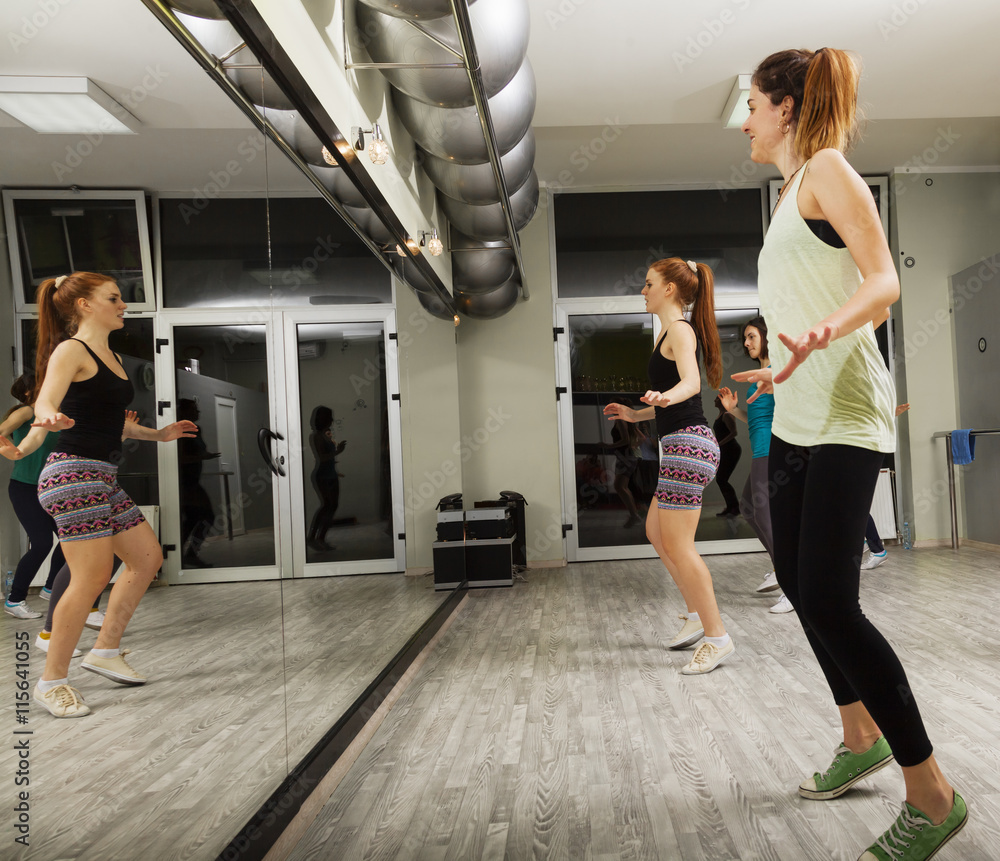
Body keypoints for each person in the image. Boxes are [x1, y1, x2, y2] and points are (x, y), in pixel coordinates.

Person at [734, 48, 966, 859]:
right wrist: (783, 362)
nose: (744, 122)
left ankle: (931, 794)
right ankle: (859, 734)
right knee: (801, 585)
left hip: (846, 411)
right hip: (800, 412)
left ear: (786, 108)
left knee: (831, 598)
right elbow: (814, 293)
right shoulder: (788, 193)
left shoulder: (828, 169)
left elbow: (883, 282)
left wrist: (826, 334)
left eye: (753, 106)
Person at [0, 272, 196, 719]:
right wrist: (46, 421)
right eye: (114, 297)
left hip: (101, 476)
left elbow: (110, 420)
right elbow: (45, 402)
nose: (123, 304)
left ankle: (105, 650)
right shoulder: (71, 350)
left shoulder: (112, 356)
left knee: (146, 558)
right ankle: (51, 682)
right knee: (90, 577)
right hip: (71, 476)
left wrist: (159, 434)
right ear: (85, 305)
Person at [604, 257, 734, 675]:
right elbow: (671, 400)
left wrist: (666, 397)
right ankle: (696, 615)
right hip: (680, 443)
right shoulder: (667, 333)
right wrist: (634, 413)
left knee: (680, 545)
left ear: (669, 289)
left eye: (648, 284)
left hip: (688, 446)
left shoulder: (679, 330)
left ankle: (717, 637)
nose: (642, 290)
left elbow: (691, 385)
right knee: (656, 532)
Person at [718, 316, 792, 614]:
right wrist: (733, 410)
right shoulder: (765, 373)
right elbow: (755, 418)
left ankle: (791, 584)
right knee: (748, 509)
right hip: (761, 450)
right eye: (745, 338)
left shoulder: (778, 371)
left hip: (772, 451)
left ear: (766, 336)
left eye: (751, 336)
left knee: (763, 514)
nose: (746, 343)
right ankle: (780, 567)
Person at [1, 374, 64, 619]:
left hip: (50, 489)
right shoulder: (27, 411)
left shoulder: (52, 416)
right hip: (25, 488)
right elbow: (2, 431)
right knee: (42, 543)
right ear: (29, 392)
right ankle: (15, 600)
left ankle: (50, 588)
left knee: (70, 538)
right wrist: (10, 449)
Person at [861, 403, 911, 570]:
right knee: (850, 506)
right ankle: (868, 545)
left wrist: (890, 414)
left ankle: (877, 550)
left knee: (856, 507)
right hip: (856, 457)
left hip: (863, 458)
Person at [177, 398, 220, 568]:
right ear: (183, 411)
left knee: (194, 518)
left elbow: (200, 451)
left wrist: (204, 455)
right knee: (206, 516)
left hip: (194, 480)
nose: (197, 412)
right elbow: (179, 458)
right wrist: (201, 457)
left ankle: (187, 555)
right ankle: (184, 555)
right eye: (193, 409)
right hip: (184, 482)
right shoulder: (179, 431)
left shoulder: (196, 429)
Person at [306, 405, 346, 552]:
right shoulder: (316, 436)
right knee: (327, 506)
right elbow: (322, 457)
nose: (332, 420)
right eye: (329, 417)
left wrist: (336, 451)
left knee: (331, 506)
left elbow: (327, 457)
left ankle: (319, 538)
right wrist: (338, 451)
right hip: (323, 475)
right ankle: (314, 538)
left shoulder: (324, 435)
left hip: (330, 474)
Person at [608, 397, 645, 528]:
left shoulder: (620, 420)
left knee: (620, 486)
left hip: (625, 457)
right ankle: (634, 514)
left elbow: (625, 440)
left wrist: (608, 446)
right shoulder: (628, 420)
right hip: (627, 456)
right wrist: (634, 446)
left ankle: (634, 515)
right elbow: (642, 437)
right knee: (622, 486)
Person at [711, 394, 742, 516]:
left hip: (731, 450)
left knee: (721, 479)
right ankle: (731, 507)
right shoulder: (721, 415)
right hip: (725, 450)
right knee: (721, 479)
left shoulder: (727, 415)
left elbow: (734, 433)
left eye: (717, 398)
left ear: (722, 401)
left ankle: (734, 508)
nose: (714, 400)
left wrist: (719, 444)